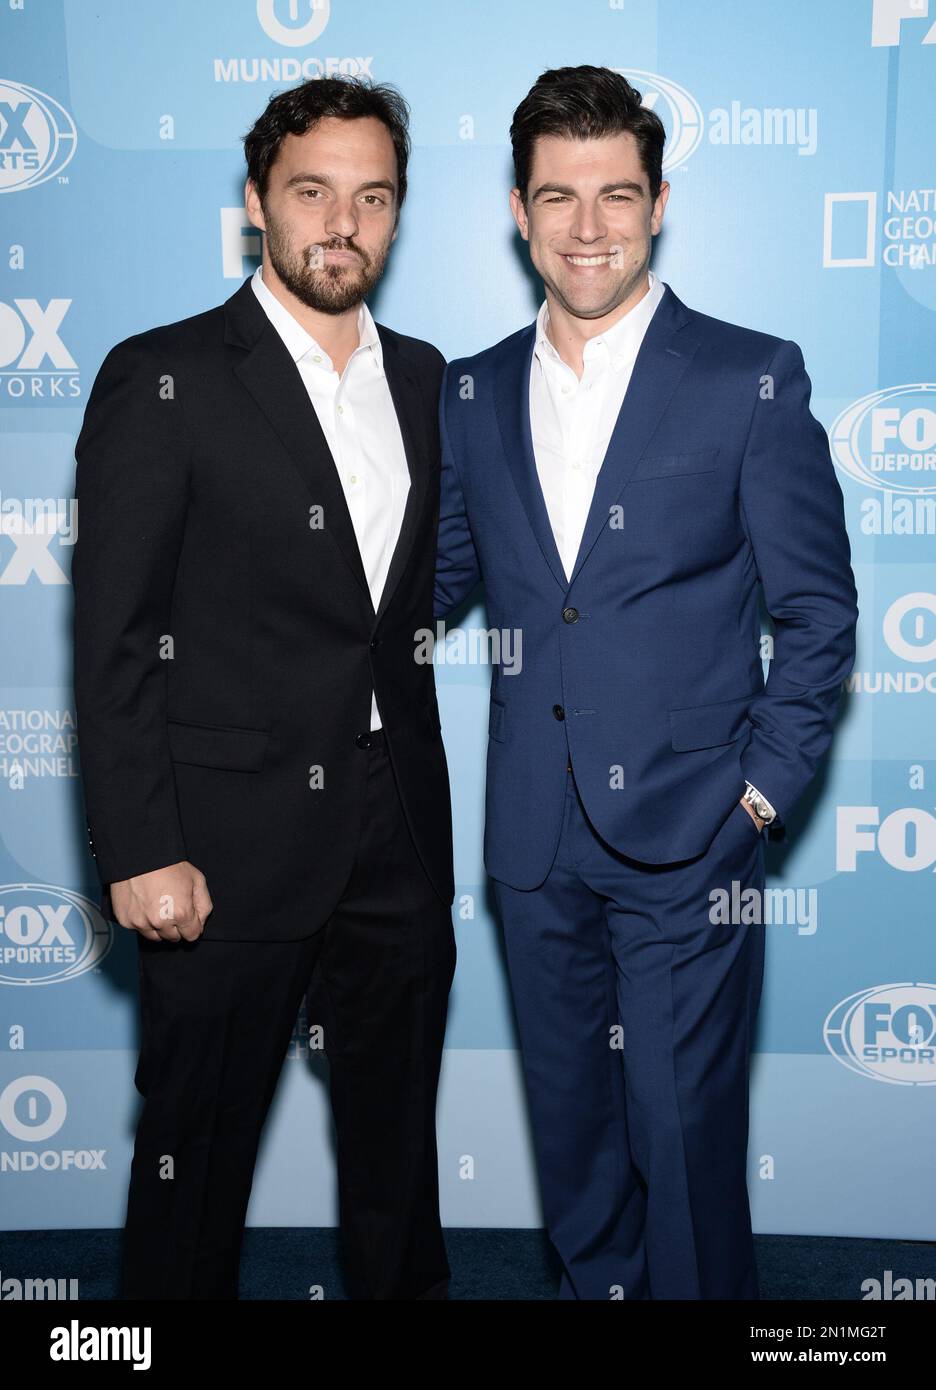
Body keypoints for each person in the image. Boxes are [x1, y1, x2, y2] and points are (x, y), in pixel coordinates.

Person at [434, 64, 858, 1299]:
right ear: (518, 209)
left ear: (659, 203)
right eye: (558, 197)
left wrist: (762, 797)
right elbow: (439, 579)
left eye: (615, 195)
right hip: (531, 840)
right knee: (574, 1151)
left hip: (690, 835)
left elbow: (820, 613)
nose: (587, 229)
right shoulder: (471, 391)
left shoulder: (748, 376)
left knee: (682, 1143)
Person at [72, 77, 455, 1301]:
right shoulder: (163, 376)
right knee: (194, 1163)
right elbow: (116, 635)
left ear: (396, 216)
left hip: (397, 823)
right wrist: (140, 846)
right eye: (311, 192)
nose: (341, 221)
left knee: (397, 1160)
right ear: (256, 205)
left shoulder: (429, 381)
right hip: (223, 845)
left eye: (371, 196)